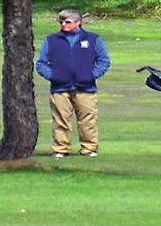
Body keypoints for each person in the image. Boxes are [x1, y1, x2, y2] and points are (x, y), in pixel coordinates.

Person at [35, 9, 111, 158]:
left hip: (86, 88)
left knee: (87, 120)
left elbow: (104, 61)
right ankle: (61, 149)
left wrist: (90, 75)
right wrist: (54, 76)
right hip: (60, 88)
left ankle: (89, 148)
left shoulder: (93, 39)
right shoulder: (51, 40)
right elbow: (41, 64)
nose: (64, 24)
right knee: (60, 120)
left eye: (67, 22)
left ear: (78, 23)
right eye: (61, 22)